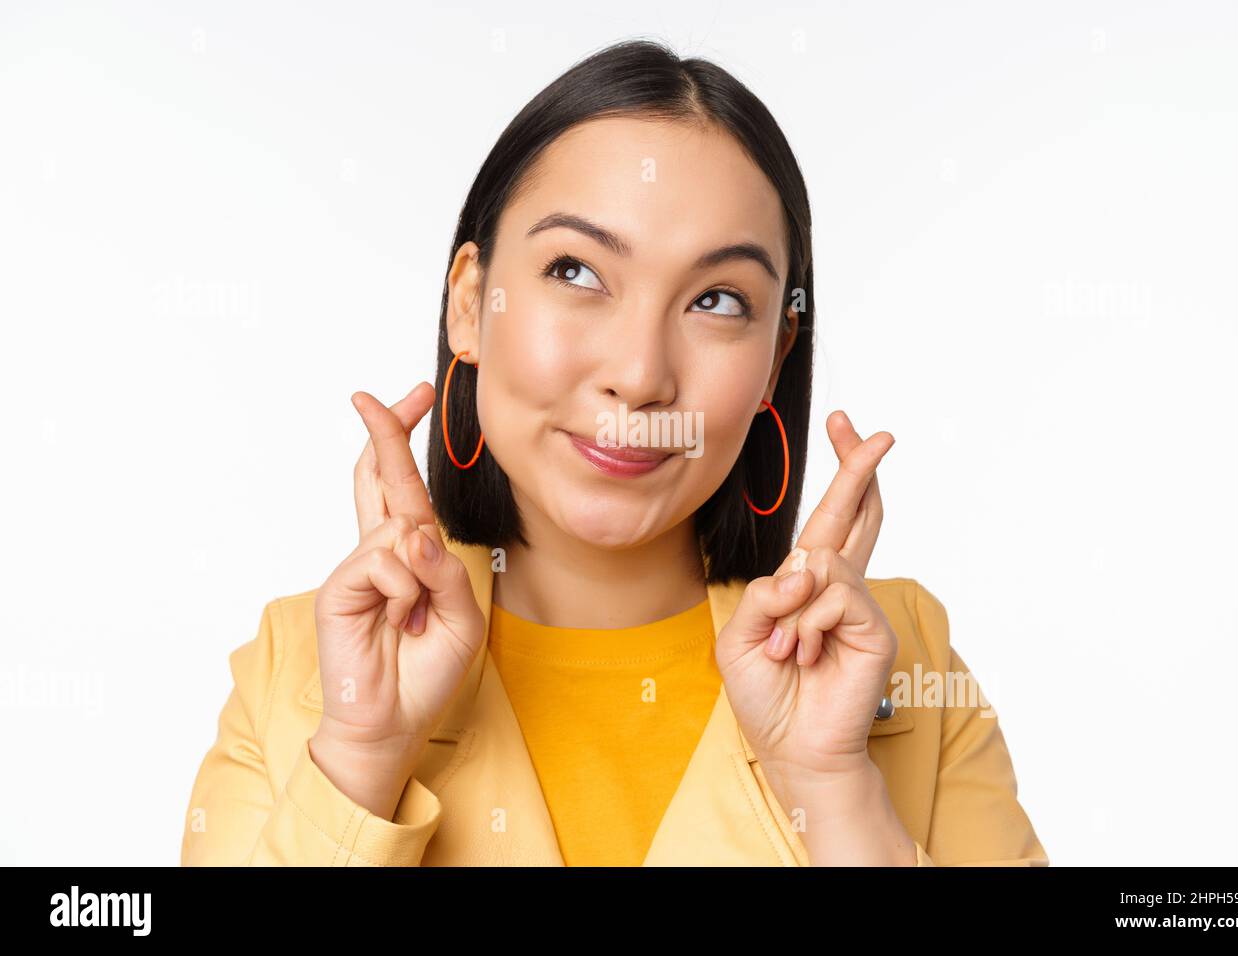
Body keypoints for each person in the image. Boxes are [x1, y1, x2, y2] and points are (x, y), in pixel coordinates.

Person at [181, 38, 1048, 867]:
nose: (640, 378)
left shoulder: (903, 664)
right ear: (470, 302)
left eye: (716, 300)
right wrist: (364, 757)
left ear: (777, 356)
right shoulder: (301, 665)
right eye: (577, 272)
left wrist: (828, 787)